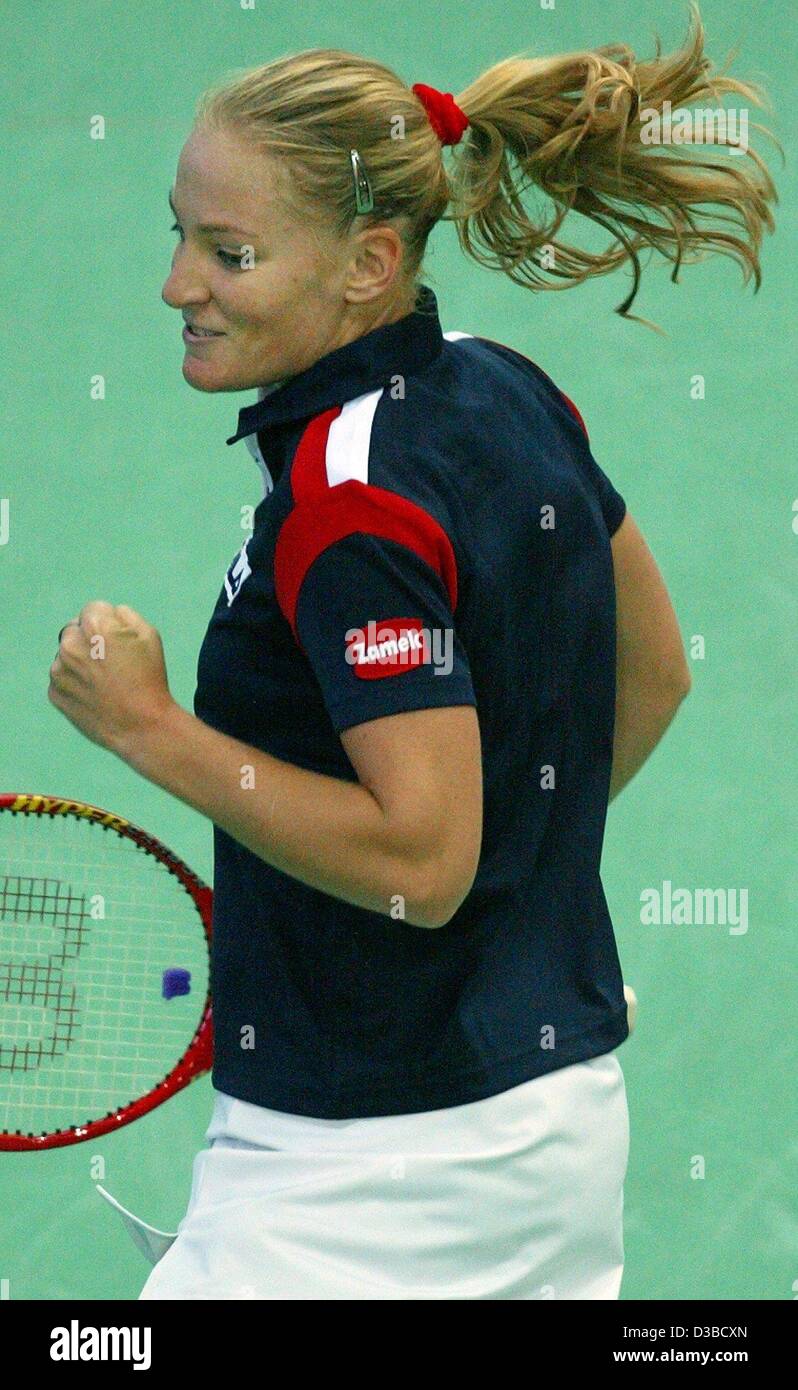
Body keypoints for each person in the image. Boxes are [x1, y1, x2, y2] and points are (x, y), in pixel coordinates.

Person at [49, 9, 776, 1299]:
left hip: (363, 1176)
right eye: (180, 234)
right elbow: (653, 669)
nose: (177, 285)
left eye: (230, 253)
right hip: (555, 1129)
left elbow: (421, 863)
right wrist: (499, 885)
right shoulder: (503, 388)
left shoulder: (347, 504)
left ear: (369, 261)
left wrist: (146, 727)